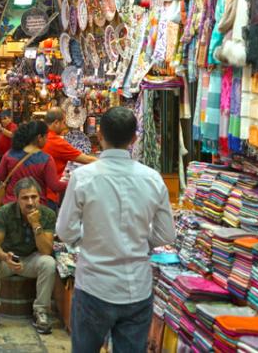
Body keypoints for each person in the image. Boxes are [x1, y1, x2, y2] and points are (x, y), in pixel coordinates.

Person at [56, 106, 176, 353]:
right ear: (134, 138)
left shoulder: (83, 177)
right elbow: (166, 234)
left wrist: (89, 238)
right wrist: (139, 241)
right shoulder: (152, 178)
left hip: (94, 285)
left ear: (99, 135)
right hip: (136, 288)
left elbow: (65, 231)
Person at [0, 177, 56, 335]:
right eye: (25, 198)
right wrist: (4, 257)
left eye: (34, 197)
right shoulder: (5, 212)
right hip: (8, 259)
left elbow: (46, 251)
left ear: (40, 197)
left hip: (31, 260)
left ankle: (41, 312)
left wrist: (36, 224)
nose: (30, 202)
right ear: (17, 199)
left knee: (49, 262)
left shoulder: (48, 214)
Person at [0, 121, 62, 208]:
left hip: (11, 205)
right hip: (35, 207)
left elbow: (0, 176)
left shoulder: (9, 154)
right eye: (46, 137)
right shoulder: (46, 159)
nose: (47, 140)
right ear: (39, 137)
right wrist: (72, 181)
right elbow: (54, 186)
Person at [43, 108, 96, 207]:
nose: (65, 126)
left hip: (37, 191)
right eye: (64, 122)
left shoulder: (40, 137)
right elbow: (87, 159)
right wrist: (109, 161)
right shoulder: (56, 142)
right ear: (56, 123)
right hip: (48, 195)